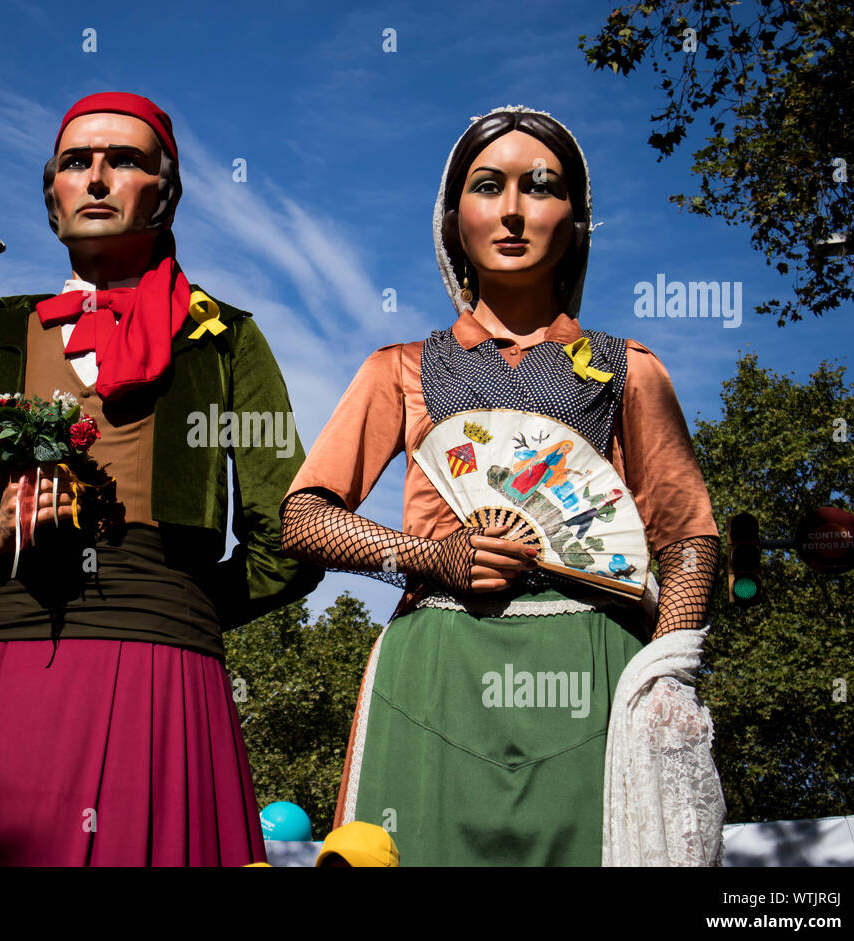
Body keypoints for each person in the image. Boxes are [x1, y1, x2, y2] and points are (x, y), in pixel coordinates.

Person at [0, 91, 322, 866]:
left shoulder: (223, 338)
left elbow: (292, 535)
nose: (98, 178)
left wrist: (179, 606)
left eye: (126, 161)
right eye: (78, 162)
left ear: (164, 191)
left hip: (162, 672)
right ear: (54, 194)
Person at [280, 106, 723, 866]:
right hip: (435, 671)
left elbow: (687, 534)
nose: (514, 210)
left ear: (577, 223)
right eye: (489, 187)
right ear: (454, 220)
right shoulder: (399, 368)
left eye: (541, 188)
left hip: (591, 672)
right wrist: (433, 557)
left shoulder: (630, 368)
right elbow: (304, 517)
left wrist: (671, 670)